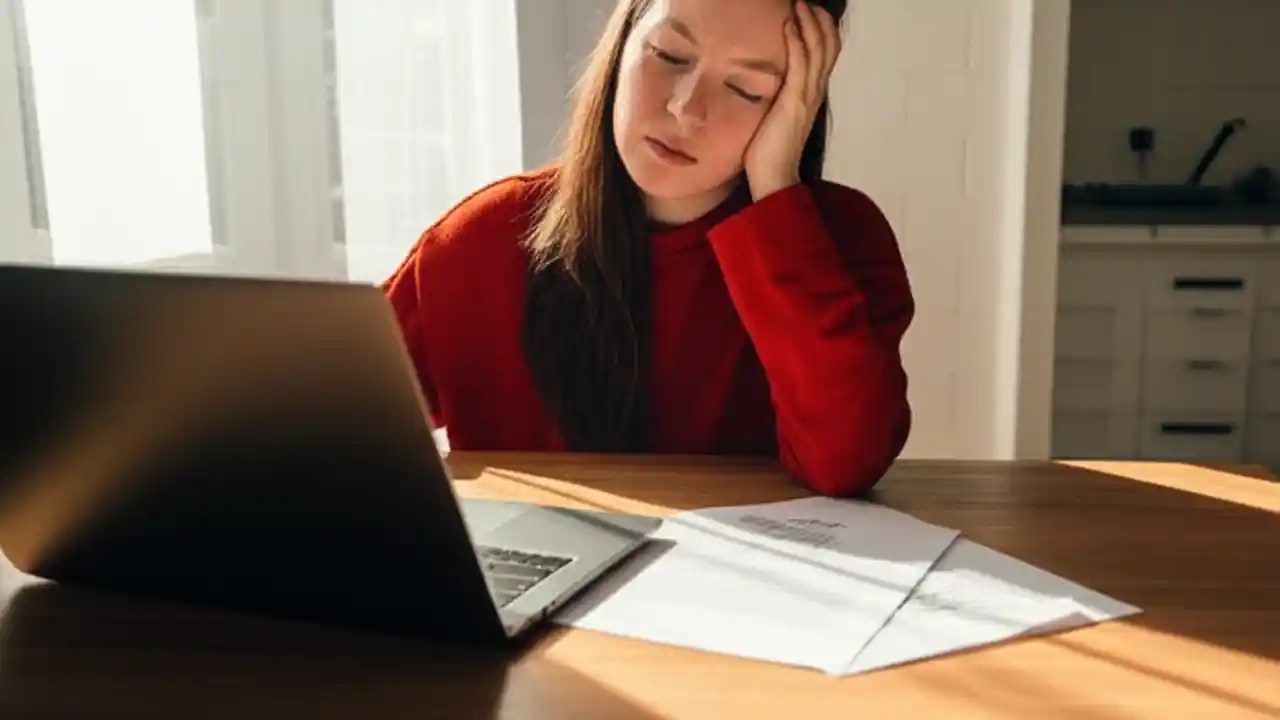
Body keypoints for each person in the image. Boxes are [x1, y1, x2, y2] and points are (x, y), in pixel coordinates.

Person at [383, 0, 914, 497]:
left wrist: (776, 184)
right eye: (669, 55)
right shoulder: (482, 238)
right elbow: (323, 427)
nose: (685, 109)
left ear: (798, 107)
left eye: (747, 89)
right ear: (622, 45)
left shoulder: (839, 241)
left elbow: (846, 463)